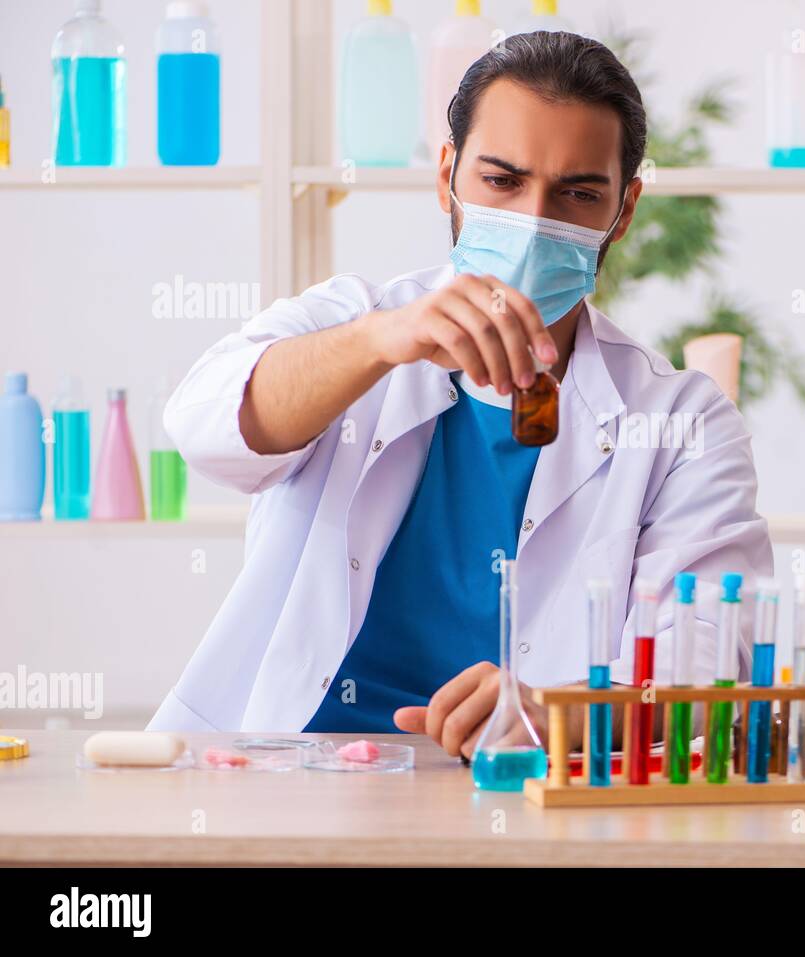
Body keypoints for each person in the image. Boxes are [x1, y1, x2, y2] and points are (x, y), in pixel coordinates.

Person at [147, 31, 772, 759]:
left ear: (623, 211)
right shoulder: (353, 324)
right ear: (447, 174)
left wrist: (562, 713)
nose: (535, 223)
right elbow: (206, 425)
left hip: (521, 788)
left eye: (577, 193)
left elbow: (707, 666)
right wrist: (384, 341)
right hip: (289, 772)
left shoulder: (681, 421)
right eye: (501, 181)